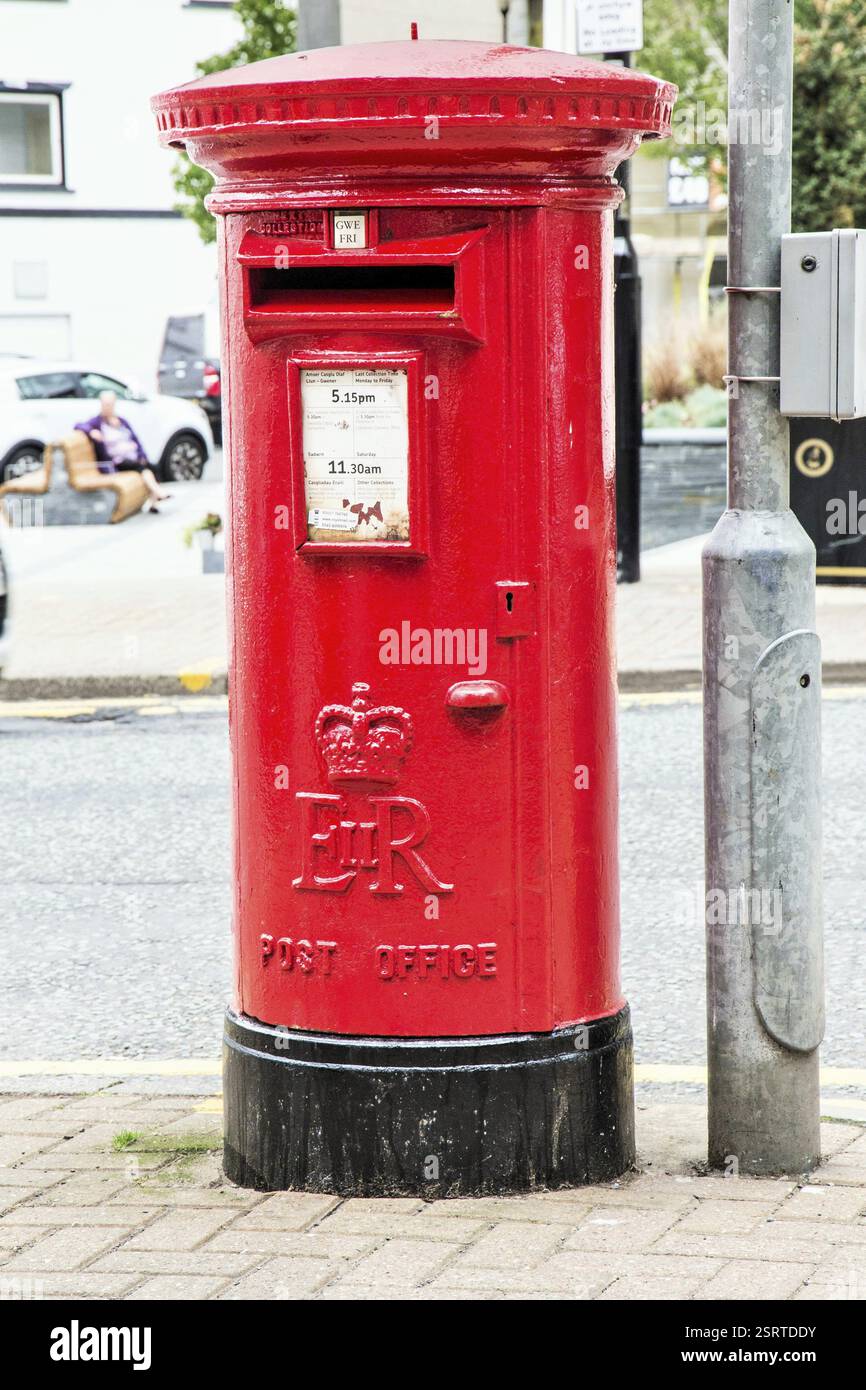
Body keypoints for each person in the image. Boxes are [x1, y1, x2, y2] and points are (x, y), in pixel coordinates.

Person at [75, 391, 171, 512]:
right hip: (116, 462)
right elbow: (78, 425)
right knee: (143, 469)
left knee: (153, 467)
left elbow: (136, 440)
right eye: (105, 404)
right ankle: (157, 493)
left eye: (109, 404)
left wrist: (142, 455)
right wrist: (91, 432)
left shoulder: (122, 421)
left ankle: (154, 502)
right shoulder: (97, 422)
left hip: (132, 457)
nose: (107, 407)